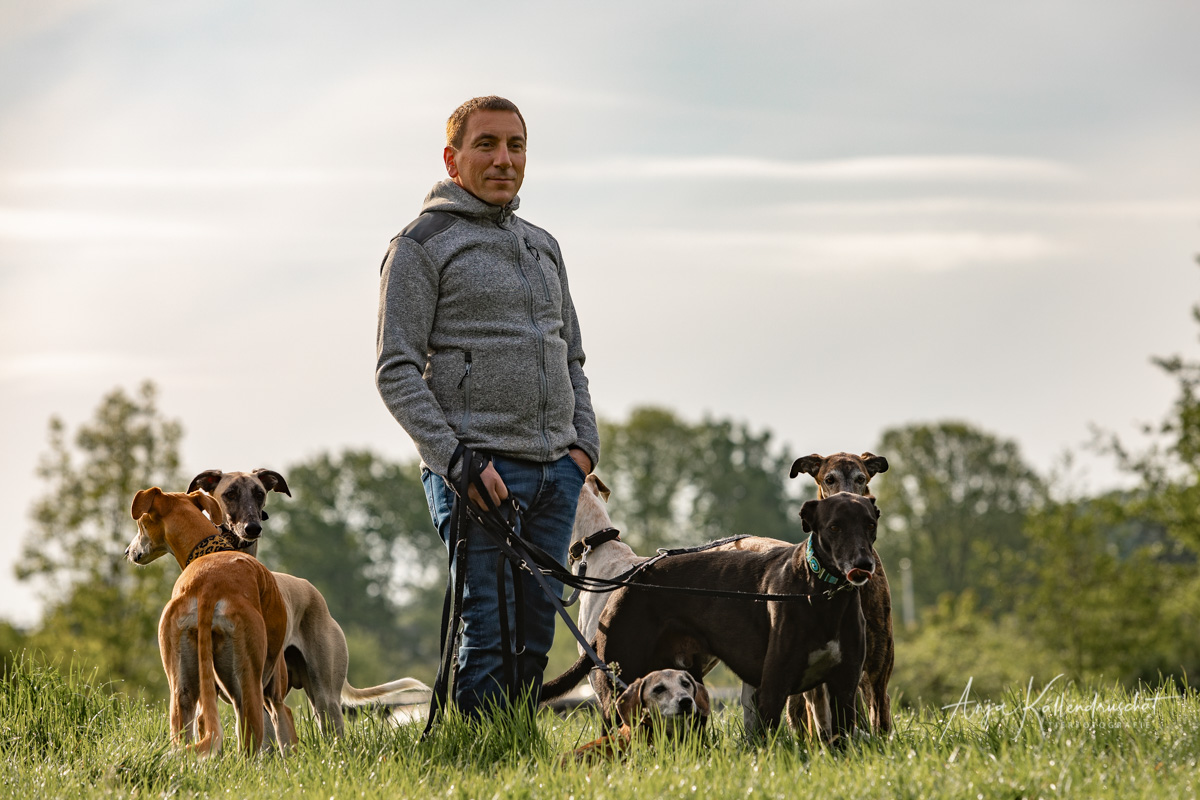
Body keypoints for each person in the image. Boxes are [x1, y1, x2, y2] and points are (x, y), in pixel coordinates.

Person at [375, 96, 600, 719]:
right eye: (487, 144)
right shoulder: (420, 245)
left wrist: (582, 450)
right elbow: (395, 371)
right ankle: (473, 759)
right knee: (489, 631)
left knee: (535, 636)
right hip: (479, 475)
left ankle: (515, 751)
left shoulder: (543, 246)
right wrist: (457, 462)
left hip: (557, 475)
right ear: (453, 159)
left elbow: (572, 356)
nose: (504, 159)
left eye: (515, 146)